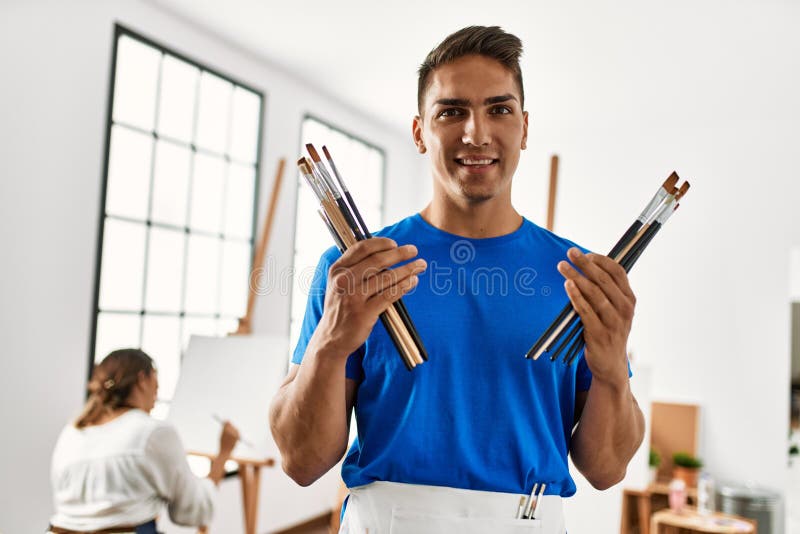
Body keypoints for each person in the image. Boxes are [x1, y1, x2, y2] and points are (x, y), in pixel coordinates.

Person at [270, 26, 645, 534]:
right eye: (451, 112)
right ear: (420, 132)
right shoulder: (356, 270)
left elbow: (606, 469)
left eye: (499, 109)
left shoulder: (579, 279)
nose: (476, 133)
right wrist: (331, 345)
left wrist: (611, 373)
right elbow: (301, 460)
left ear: (525, 128)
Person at [48, 348, 239, 534]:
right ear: (142, 379)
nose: (157, 393)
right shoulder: (152, 432)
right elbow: (193, 511)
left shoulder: (72, 432)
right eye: (156, 381)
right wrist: (223, 455)